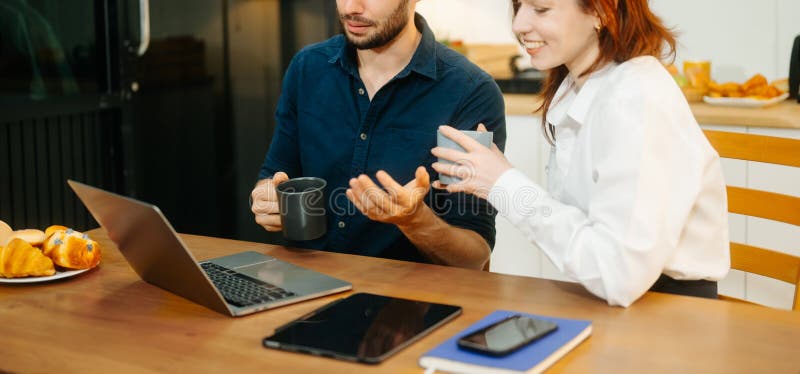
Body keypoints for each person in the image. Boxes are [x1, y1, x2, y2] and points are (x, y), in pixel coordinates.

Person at [432, 0, 729, 306]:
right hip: (608, 301)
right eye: (519, 6)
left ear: (601, 12)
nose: (518, 24)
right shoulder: (578, 89)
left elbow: (619, 276)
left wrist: (504, 185)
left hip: (667, 311)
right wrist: (494, 180)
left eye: (541, 9)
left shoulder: (636, 97)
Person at [251, 0, 507, 270]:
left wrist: (416, 221)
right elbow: (275, 172)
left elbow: (473, 257)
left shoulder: (469, 91)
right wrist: (267, 196)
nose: (351, 7)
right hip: (306, 280)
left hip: (403, 291)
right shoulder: (307, 67)